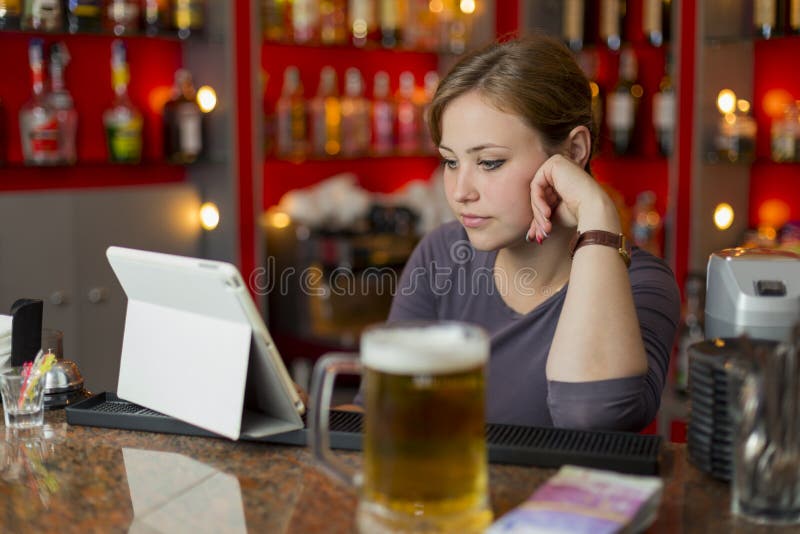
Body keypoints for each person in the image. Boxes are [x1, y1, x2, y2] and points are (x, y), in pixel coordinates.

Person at [386, 36, 680, 432]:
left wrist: (597, 212)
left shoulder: (642, 284)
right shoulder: (442, 253)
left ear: (574, 151)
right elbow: (386, 411)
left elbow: (591, 420)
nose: (460, 192)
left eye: (490, 163)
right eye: (450, 162)